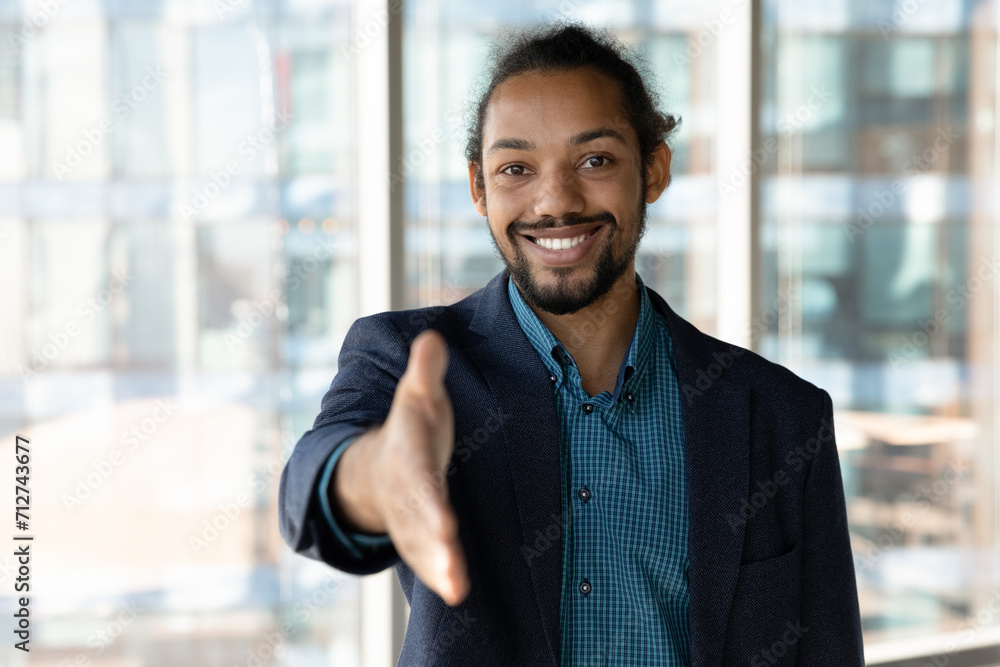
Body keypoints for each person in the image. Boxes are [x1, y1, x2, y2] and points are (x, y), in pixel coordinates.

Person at [278, 23, 864, 666]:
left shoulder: (782, 415)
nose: (554, 201)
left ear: (654, 170)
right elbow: (311, 493)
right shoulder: (406, 358)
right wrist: (378, 474)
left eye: (595, 160)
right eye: (516, 168)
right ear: (479, 187)